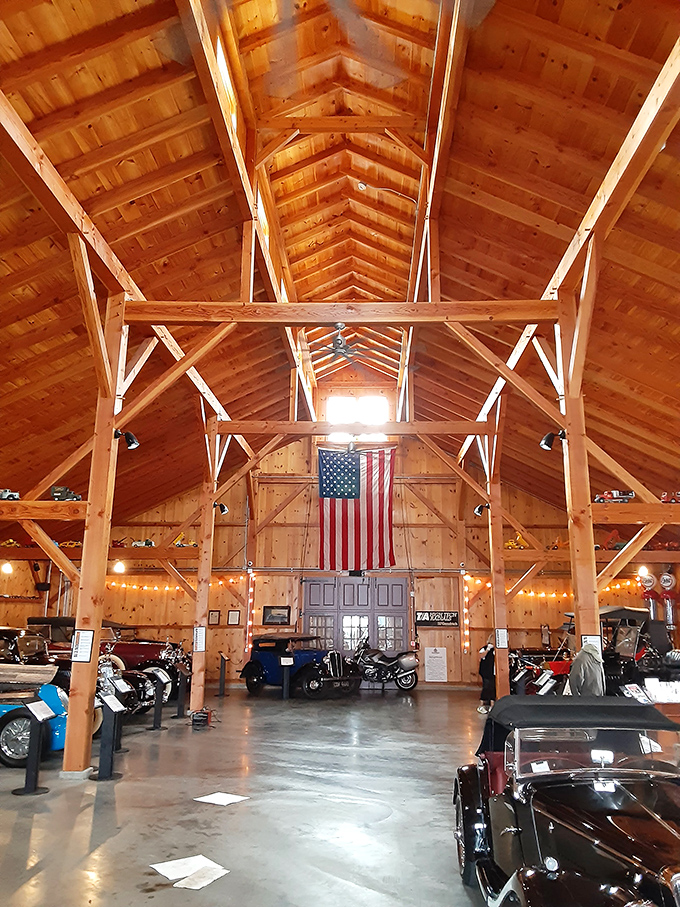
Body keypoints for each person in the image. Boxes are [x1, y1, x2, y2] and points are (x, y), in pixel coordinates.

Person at [477, 641, 496, 713]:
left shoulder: (497, 650)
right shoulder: (484, 648)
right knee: (486, 687)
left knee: (493, 688)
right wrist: (488, 649)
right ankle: (481, 705)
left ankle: (492, 705)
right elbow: (481, 656)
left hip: (493, 672)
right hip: (486, 672)